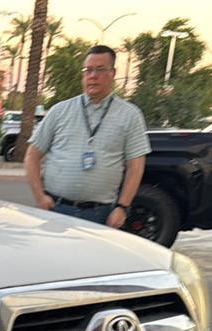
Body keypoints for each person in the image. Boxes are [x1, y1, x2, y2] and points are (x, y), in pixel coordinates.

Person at [25, 45, 150, 229]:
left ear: (113, 73)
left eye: (100, 70)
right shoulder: (60, 111)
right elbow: (32, 156)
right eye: (88, 70)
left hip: (101, 215)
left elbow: (136, 167)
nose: (93, 76)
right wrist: (39, 197)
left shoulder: (130, 115)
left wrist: (122, 207)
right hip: (55, 210)